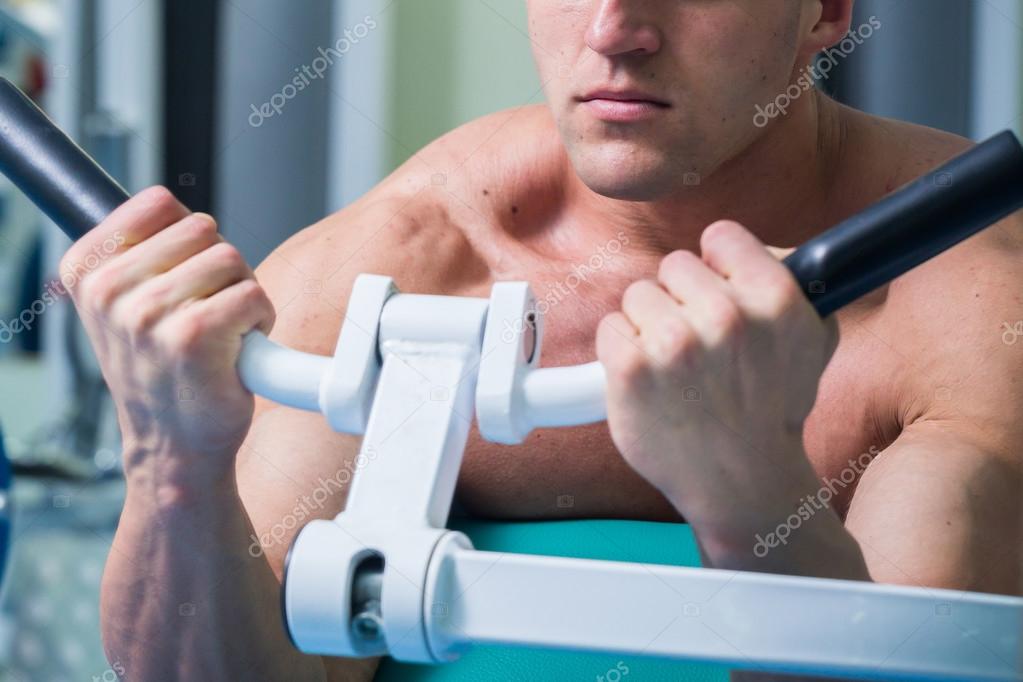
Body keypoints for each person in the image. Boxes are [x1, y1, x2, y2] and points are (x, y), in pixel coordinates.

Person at [62, 1, 1022, 680]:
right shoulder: (400, 266)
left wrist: (751, 494)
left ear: (823, 11)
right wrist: (171, 459)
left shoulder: (971, 298)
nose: (613, 30)